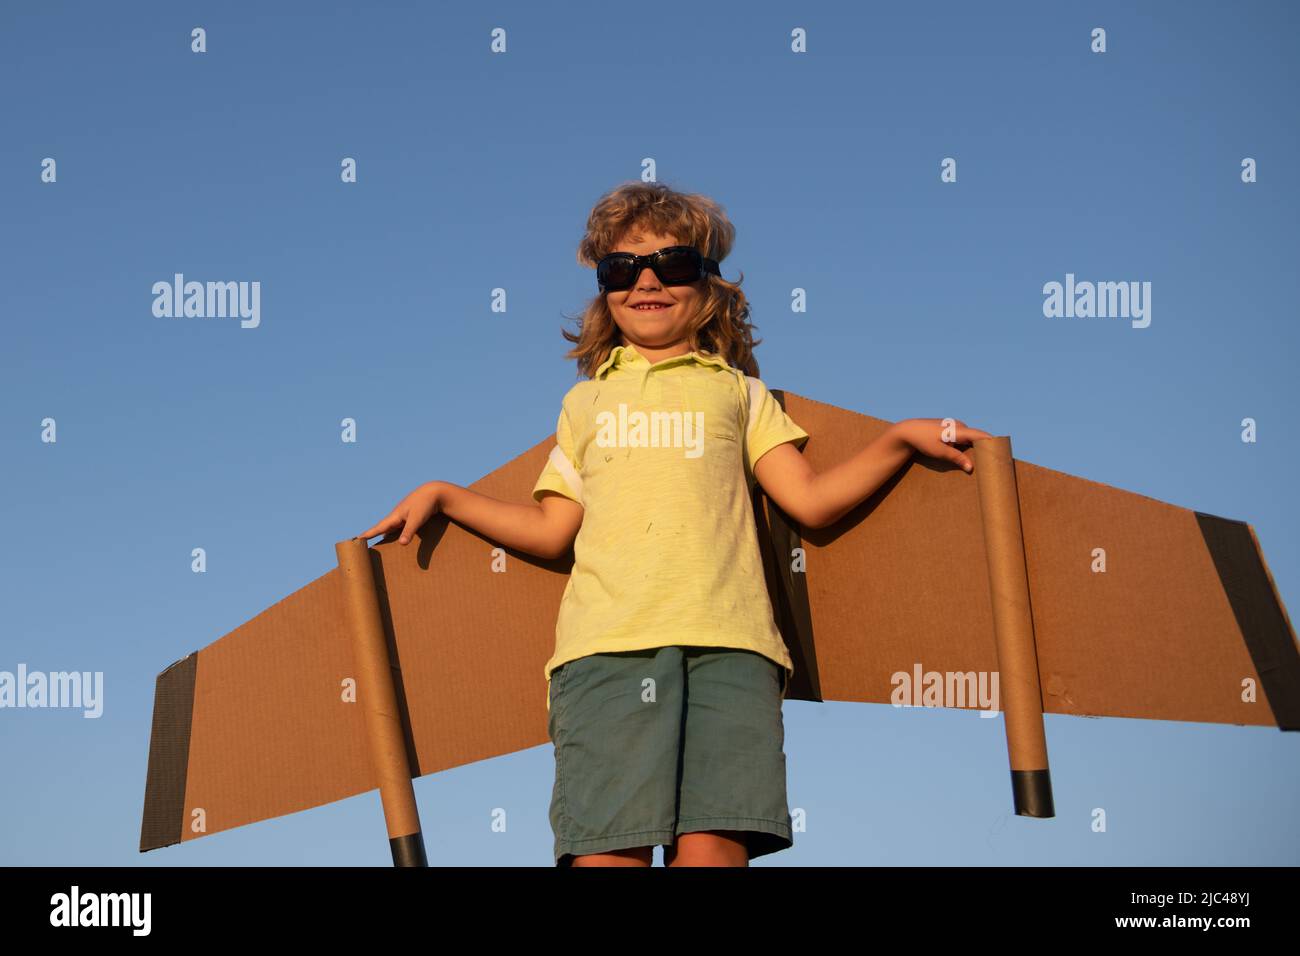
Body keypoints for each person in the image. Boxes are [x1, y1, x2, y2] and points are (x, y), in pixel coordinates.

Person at [359, 181, 992, 866]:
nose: (648, 280)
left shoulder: (740, 394)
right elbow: (551, 532)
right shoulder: (585, 405)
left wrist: (899, 439)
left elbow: (808, 502)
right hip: (606, 654)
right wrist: (447, 495)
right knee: (608, 853)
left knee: (714, 852)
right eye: (623, 269)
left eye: (674, 263)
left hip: (734, 652)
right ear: (605, 290)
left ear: (711, 284)